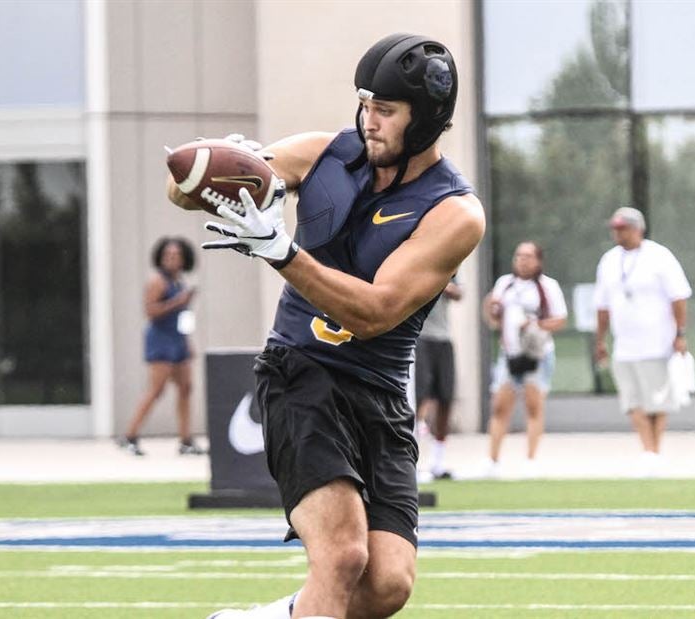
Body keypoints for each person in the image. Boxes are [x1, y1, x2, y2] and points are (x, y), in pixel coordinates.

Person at [173, 34, 484, 619]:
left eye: (386, 110)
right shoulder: (324, 154)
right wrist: (217, 165)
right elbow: (183, 189)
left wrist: (279, 250)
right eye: (365, 103)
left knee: (387, 583)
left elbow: (374, 312)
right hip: (301, 372)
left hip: (380, 393)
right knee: (341, 557)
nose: (369, 121)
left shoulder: (455, 212)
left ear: (429, 120)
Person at [592, 207, 691, 473]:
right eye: (615, 228)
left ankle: (653, 452)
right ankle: (649, 451)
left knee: (657, 401)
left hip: (657, 342)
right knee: (632, 400)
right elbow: (602, 305)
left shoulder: (659, 256)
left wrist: (680, 334)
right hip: (624, 345)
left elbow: (679, 297)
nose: (617, 233)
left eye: (622, 228)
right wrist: (599, 340)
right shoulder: (609, 260)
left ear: (638, 229)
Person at [479, 241, 567, 478]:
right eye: (519, 255)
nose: (523, 260)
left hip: (536, 354)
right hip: (510, 354)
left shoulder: (547, 287)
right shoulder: (505, 284)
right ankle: (493, 460)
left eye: (528, 256)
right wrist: (491, 308)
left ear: (538, 260)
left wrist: (534, 326)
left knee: (533, 405)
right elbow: (494, 318)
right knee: (499, 406)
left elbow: (559, 319)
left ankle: (531, 459)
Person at [117, 237, 204, 457]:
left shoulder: (179, 282)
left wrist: (187, 341)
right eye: (167, 255)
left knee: (186, 388)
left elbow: (183, 315)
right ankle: (130, 436)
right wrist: (179, 301)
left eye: (176, 256)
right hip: (160, 340)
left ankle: (186, 440)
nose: (171, 260)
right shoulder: (158, 281)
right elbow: (151, 311)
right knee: (156, 389)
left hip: (177, 339)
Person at [415, 279, 462, 481]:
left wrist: (441, 282)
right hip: (419, 336)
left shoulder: (446, 262)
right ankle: (411, 463)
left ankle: (437, 462)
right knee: (418, 397)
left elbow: (458, 293)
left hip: (443, 338)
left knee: (446, 397)